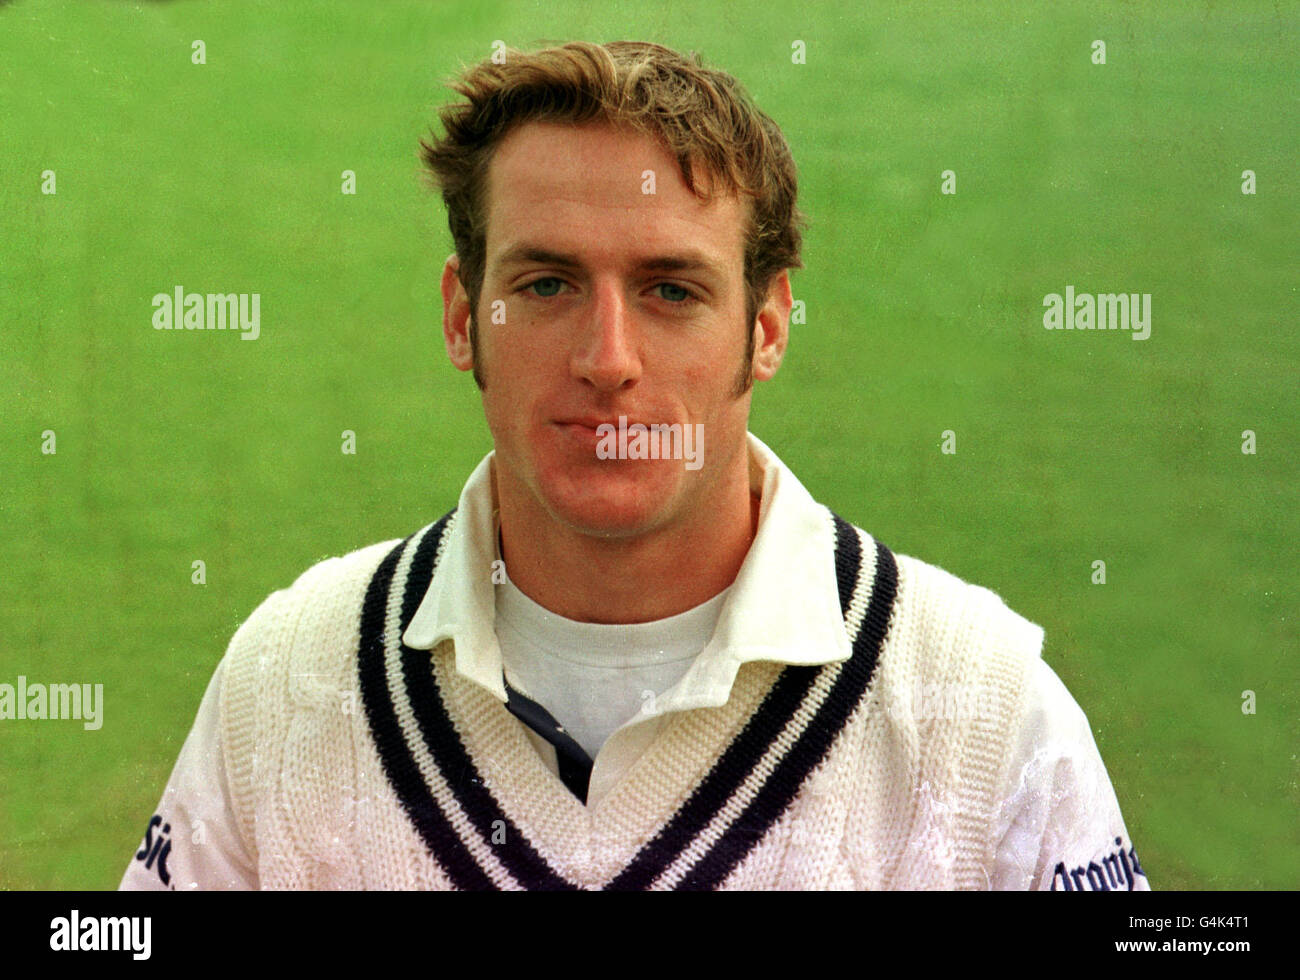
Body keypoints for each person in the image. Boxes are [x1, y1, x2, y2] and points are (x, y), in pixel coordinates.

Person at [121, 40, 1148, 891]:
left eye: (669, 290)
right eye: (548, 282)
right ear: (458, 313)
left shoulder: (981, 707)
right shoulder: (289, 677)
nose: (606, 359)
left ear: (769, 325)